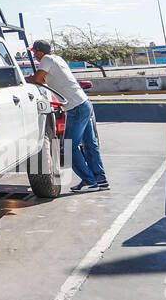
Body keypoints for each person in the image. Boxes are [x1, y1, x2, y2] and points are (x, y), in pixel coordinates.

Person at [28, 39, 108, 192]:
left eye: (35, 52)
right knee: (90, 145)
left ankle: (89, 181)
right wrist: (37, 76)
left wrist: (29, 78)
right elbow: (48, 79)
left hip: (75, 107)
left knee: (69, 146)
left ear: (40, 51)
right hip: (84, 103)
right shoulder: (57, 59)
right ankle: (101, 180)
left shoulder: (47, 59)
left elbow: (38, 79)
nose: (34, 56)